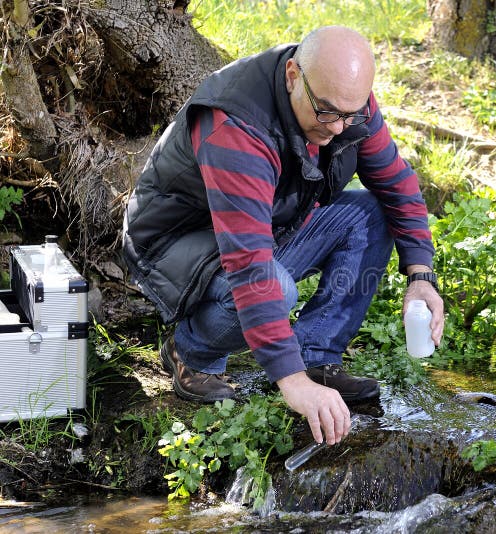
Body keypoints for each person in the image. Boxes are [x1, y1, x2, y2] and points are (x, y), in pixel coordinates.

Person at [122, 26, 444, 446]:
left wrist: (422, 277)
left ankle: (316, 356)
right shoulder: (236, 124)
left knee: (373, 214)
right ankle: (192, 352)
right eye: (326, 112)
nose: (338, 128)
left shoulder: (346, 105)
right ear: (293, 75)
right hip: (176, 243)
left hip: (264, 225)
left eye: (351, 114)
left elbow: (396, 184)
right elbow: (249, 265)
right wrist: (290, 382)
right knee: (276, 288)